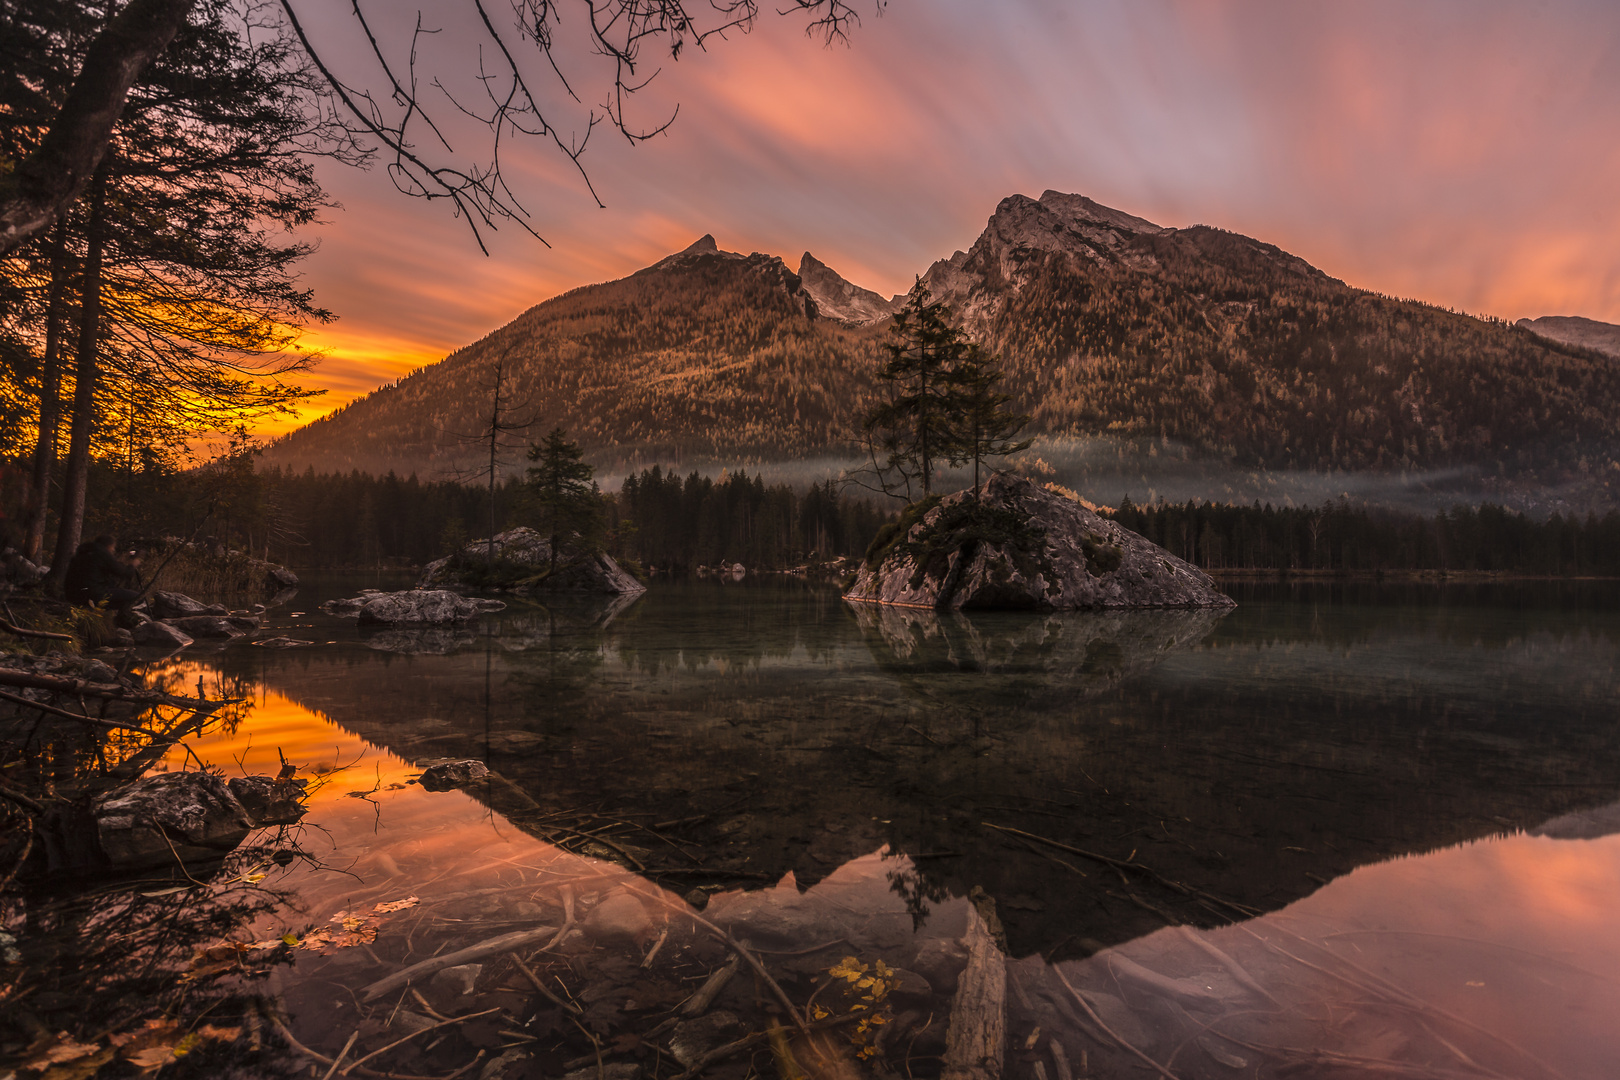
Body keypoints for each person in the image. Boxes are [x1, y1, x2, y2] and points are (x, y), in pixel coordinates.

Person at [63, 535, 142, 622]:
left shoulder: (82, 553)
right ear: (109, 546)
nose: (113, 551)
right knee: (138, 597)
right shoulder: (102, 553)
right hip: (93, 594)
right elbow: (124, 573)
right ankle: (119, 620)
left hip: (72, 595)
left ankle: (98, 613)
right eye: (113, 548)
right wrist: (132, 565)